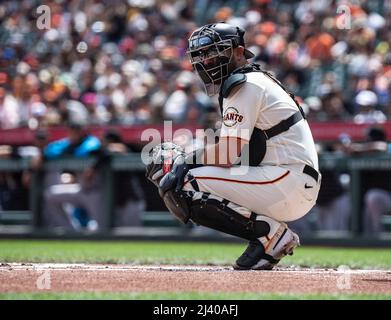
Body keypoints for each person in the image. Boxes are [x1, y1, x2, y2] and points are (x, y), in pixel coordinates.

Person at [146, 22, 321, 270]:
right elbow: (235, 151)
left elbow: (227, 154)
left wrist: (184, 159)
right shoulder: (251, 82)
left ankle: (269, 235)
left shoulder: (245, 85)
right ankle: (268, 236)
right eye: (201, 55)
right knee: (184, 174)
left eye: (214, 51)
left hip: (287, 180)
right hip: (288, 179)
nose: (206, 60)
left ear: (239, 52)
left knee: (183, 182)